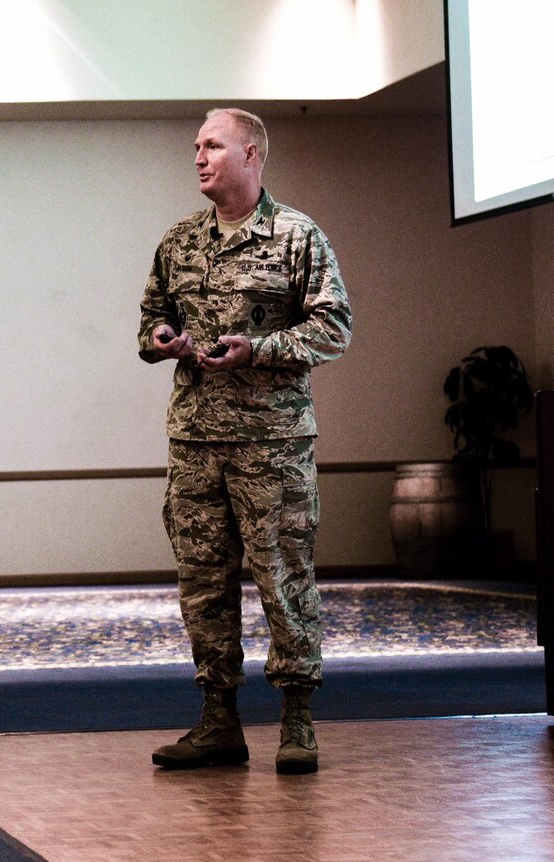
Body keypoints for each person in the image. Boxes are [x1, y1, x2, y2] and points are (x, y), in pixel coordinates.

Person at [138, 108, 352, 775]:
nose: (198, 157)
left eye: (211, 145)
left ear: (250, 154)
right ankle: (218, 720)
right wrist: (160, 340)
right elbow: (150, 319)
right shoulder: (177, 243)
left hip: (270, 445)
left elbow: (333, 327)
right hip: (196, 442)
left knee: (282, 579)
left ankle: (295, 719)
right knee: (202, 585)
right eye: (195, 147)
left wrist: (257, 349)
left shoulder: (295, 236)